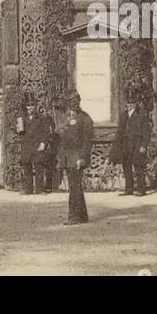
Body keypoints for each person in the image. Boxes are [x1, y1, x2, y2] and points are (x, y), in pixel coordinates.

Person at [56, 91, 94, 225]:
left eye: (76, 101)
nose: (74, 103)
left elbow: (87, 141)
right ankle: (82, 216)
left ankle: (73, 216)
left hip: (77, 158)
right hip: (67, 157)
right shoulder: (64, 118)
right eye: (71, 101)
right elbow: (60, 138)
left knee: (74, 187)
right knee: (75, 186)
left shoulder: (84, 118)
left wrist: (83, 157)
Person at [110, 93, 151, 196]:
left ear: (135, 104)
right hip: (126, 144)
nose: (129, 105)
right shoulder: (124, 115)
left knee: (138, 167)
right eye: (128, 103)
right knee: (126, 166)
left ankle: (141, 189)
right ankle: (129, 189)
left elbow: (146, 132)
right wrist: (117, 144)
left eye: (131, 103)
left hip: (137, 143)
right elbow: (120, 131)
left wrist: (144, 146)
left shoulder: (142, 115)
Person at [16, 100, 53, 195]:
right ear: (26, 107)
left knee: (38, 167)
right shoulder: (22, 118)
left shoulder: (41, 118)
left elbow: (46, 132)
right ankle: (28, 189)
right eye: (28, 105)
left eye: (32, 105)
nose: (30, 108)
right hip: (27, 146)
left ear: (35, 106)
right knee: (27, 167)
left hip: (37, 145)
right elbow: (20, 133)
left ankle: (39, 189)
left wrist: (43, 143)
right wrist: (17, 129)